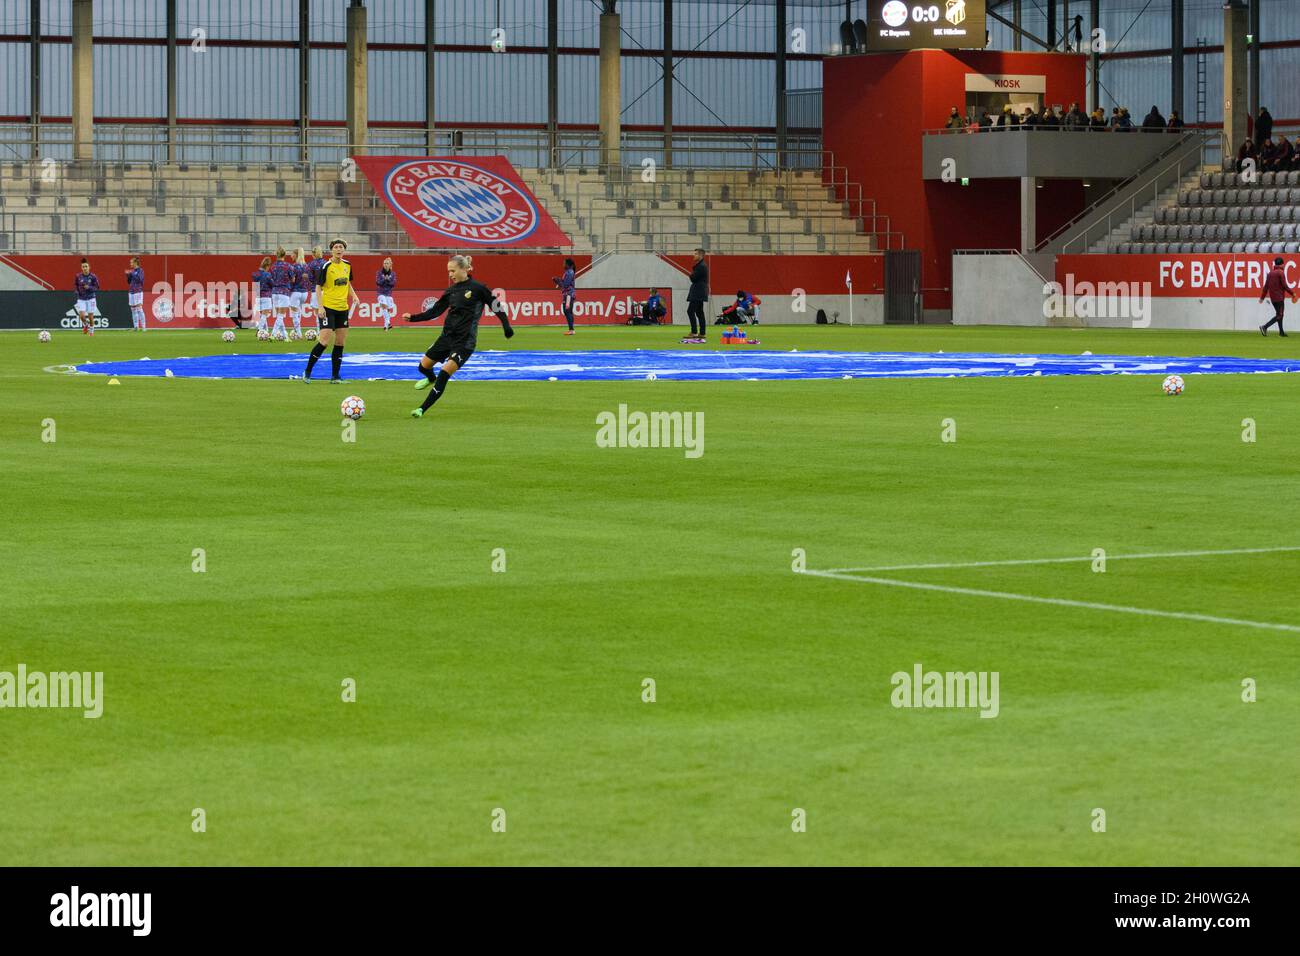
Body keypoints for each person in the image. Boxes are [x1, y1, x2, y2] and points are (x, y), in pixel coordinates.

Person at [401, 254, 515, 418]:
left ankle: (421, 409)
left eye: (453, 270)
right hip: (446, 337)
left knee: (445, 372)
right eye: (448, 271)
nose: (450, 274)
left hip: (464, 342)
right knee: (423, 367)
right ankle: (430, 378)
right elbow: (435, 311)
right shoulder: (451, 291)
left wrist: (506, 325)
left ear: (464, 269)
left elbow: (495, 305)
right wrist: (413, 317)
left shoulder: (478, 288)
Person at [304, 238, 360, 383]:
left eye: (341, 247)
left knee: (340, 342)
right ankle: (308, 371)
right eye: (336, 247)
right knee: (324, 341)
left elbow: (348, 284)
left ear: (344, 250)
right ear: (331, 250)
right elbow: (318, 287)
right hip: (328, 308)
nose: (339, 249)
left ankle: (335, 376)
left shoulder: (347, 265)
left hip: (343, 309)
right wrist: (320, 306)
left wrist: (354, 295)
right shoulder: (326, 266)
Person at [1259, 256, 1295, 337]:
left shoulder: (1270, 274)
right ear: (1282, 264)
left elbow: (1265, 287)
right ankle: (1265, 327)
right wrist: (1293, 293)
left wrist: (1262, 298)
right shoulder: (1280, 273)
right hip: (1279, 298)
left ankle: (1281, 332)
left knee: (1279, 314)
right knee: (1280, 315)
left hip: (1273, 298)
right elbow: (1285, 286)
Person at [269, 247, 295, 339]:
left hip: (274, 292)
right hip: (284, 292)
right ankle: (273, 334)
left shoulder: (272, 267)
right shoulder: (288, 266)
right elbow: (293, 279)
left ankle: (285, 336)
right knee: (281, 316)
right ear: (284, 255)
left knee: (279, 316)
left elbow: (270, 279)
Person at [686, 247, 709, 342]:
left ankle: (694, 332)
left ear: (700, 255)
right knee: (699, 312)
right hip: (700, 291)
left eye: (695, 254)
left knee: (690, 311)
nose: (693, 255)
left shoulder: (701, 266)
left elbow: (693, 278)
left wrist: (691, 275)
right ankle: (702, 333)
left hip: (698, 292)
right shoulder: (701, 265)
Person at [290, 248, 314, 336]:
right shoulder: (306, 266)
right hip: (305, 293)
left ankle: (298, 333)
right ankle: (297, 330)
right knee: (299, 311)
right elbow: (310, 279)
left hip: (296, 292)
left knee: (294, 313)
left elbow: (292, 280)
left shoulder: (294, 266)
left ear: (296, 255)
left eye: (292, 254)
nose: (290, 255)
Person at [74, 258, 99, 336]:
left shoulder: (93, 277)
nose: (85, 268)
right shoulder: (78, 276)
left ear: (89, 267)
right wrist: (77, 291)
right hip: (81, 298)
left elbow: (97, 287)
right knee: (81, 315)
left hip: (91, 298)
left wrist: (89, 288)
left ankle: (91, 331)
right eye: (83, 267)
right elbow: (76, 285)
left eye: (86, 266)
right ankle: (86, 325)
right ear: (81, 268)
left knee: (90, 316)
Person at [552, 257, 577, 334]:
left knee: (567, 311)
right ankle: (571, 329)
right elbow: (564, 283)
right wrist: (558, 280)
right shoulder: (568, 272)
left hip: (568, 295)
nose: (563, 264)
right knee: (568, 311)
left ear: (568, 264)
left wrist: (557, 281)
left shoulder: (569, 272)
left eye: (564, 263)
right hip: (568, 294)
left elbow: (565, 285)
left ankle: (571, 330)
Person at [251, 256, 273, 333]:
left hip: (258, 296)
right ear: (267, 266)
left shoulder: (255, 274)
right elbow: (272, 284)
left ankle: (266, 330)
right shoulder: (268, 275)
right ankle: (260, 330)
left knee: (262, 315)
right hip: (266, 296)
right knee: (264, 314)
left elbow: (256, 285)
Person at [376, 255, 397, 331]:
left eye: (387, 263)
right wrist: (384, 280)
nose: (385, 264)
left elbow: (393, 284)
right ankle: (388, 322)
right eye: (384, 263)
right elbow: (378, 282)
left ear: (390, 265)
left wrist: (388, 280)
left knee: (387, 308)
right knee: (384, 305)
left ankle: (386, 326)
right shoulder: (379, 272)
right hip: (380, 292)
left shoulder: (393, 274)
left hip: (388, 293)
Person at [125, 256, 145, 331]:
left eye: (131, 262)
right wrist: (127, 275)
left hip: (138, 291)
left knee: (139, 309)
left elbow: (140, 279)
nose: (130, 263)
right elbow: (129, 282)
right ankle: (136, 327)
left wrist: (132, 273)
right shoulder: (132, 271)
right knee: (133, 310)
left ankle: (143, 327)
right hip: (131, 292)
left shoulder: (140, 270)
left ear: (135, 263)